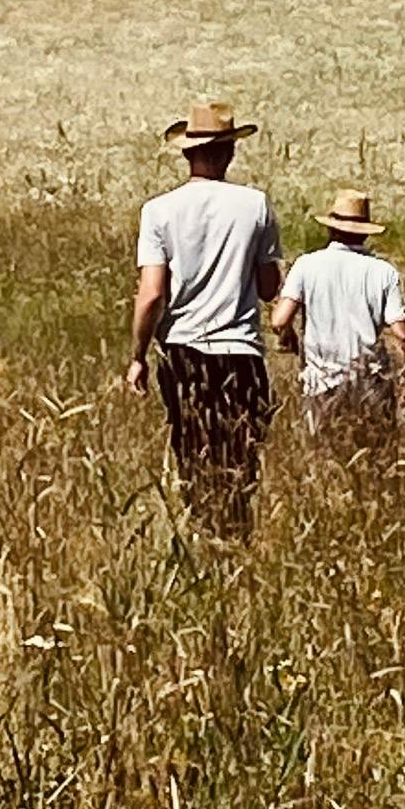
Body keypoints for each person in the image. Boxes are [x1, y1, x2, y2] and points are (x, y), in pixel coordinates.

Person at [127, 104, 283, 539]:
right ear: (229, 152)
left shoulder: (158, 211)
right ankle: (237, 537)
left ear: (187, 153)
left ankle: (205, 536)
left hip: (184, 351)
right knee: (241, 458)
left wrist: (137, 356)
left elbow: (152, 294)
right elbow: (270, 287)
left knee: (193, 453)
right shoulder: (255, 205)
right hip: (241, 351)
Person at [270, 189, 405, 451]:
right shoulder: (383, 272)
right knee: (374, 460)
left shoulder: (306, 265)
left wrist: (295, 345)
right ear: (365, 232)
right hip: (370, 384)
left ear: (331, 229)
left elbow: (280, 320)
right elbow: (403, 335)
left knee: (322, 458)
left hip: (321, 383)